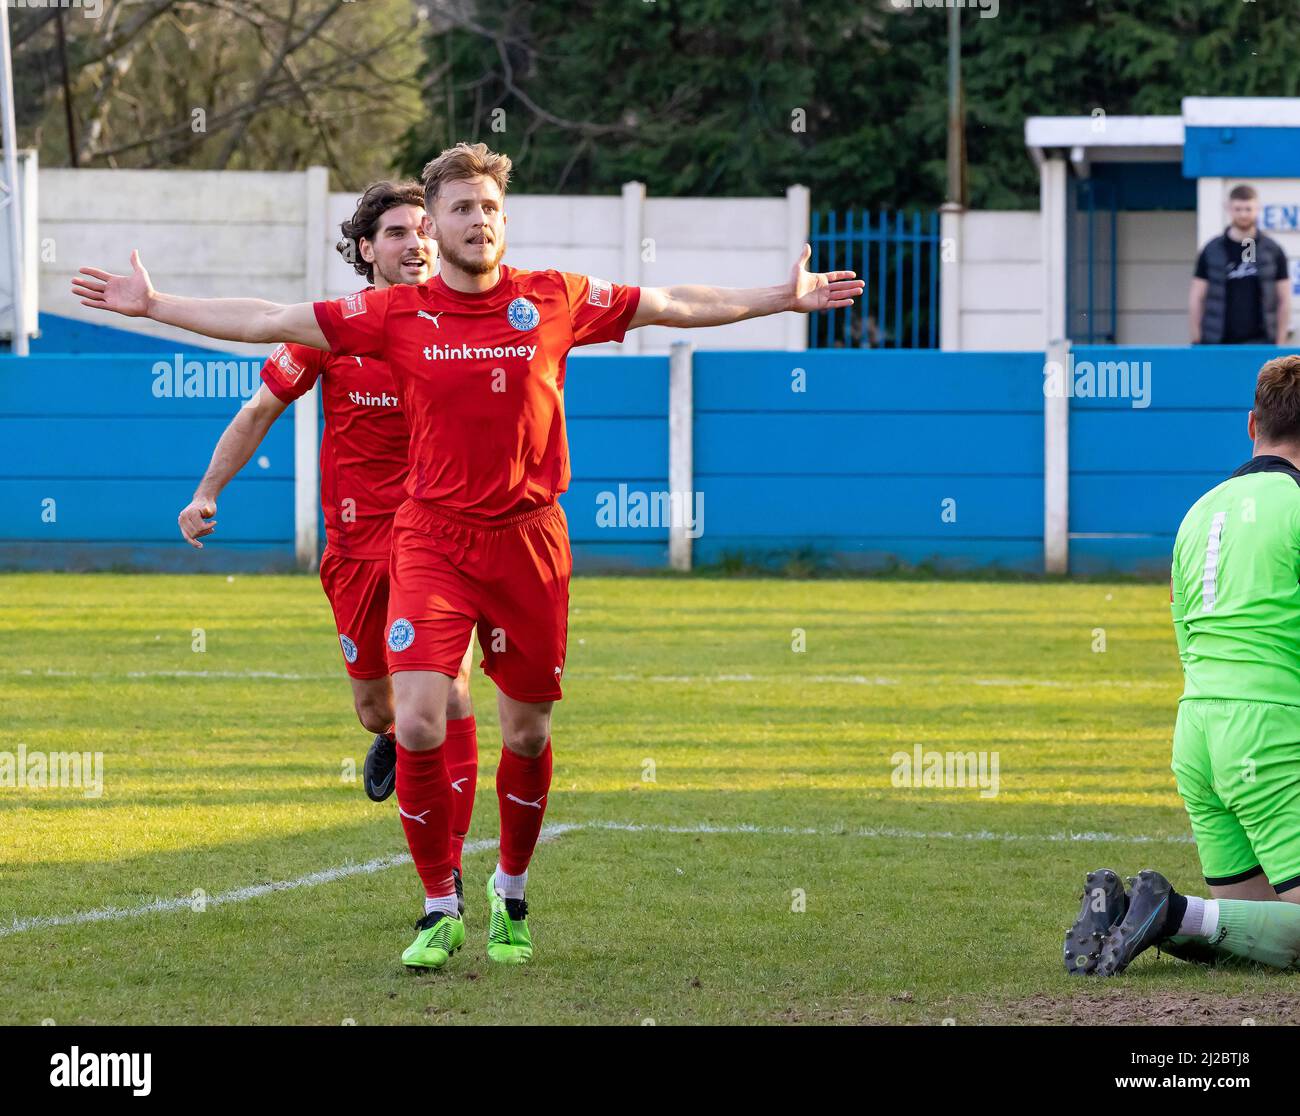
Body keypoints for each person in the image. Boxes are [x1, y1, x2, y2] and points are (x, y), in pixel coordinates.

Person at [73, 141, 864, 971]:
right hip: (429, 540)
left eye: (487, 207)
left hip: (529, 543)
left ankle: (510, 892)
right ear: (436, 229)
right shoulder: (392, 317)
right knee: (413, 716)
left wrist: (780, 297)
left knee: (525, 733)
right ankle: (438, 904)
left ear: (504, 221)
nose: (472, 221)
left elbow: (672, 302)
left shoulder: (555, 298)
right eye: (458, 209)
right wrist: (155, 305)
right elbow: (268, 319)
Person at [1065, 355, 1300, 975]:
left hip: (1197, 732)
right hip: (1270, 728)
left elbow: (1185, 630)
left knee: (1253, 928)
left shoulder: (1199, 513)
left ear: (1253, 425)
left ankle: (1131, 912)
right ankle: (1169, 912)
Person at [1190, 183, 1291, 346]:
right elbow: (1197, 296)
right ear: (1228, 209)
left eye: (1248, 209)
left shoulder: (1272, 250)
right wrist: (1196, 336)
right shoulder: (1212, 250)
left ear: (1257, 209)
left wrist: (1280, 340)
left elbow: (1284, 299)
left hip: (1262, 342)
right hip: (1217, 342)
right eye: (1238, 209)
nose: (1243, 214)